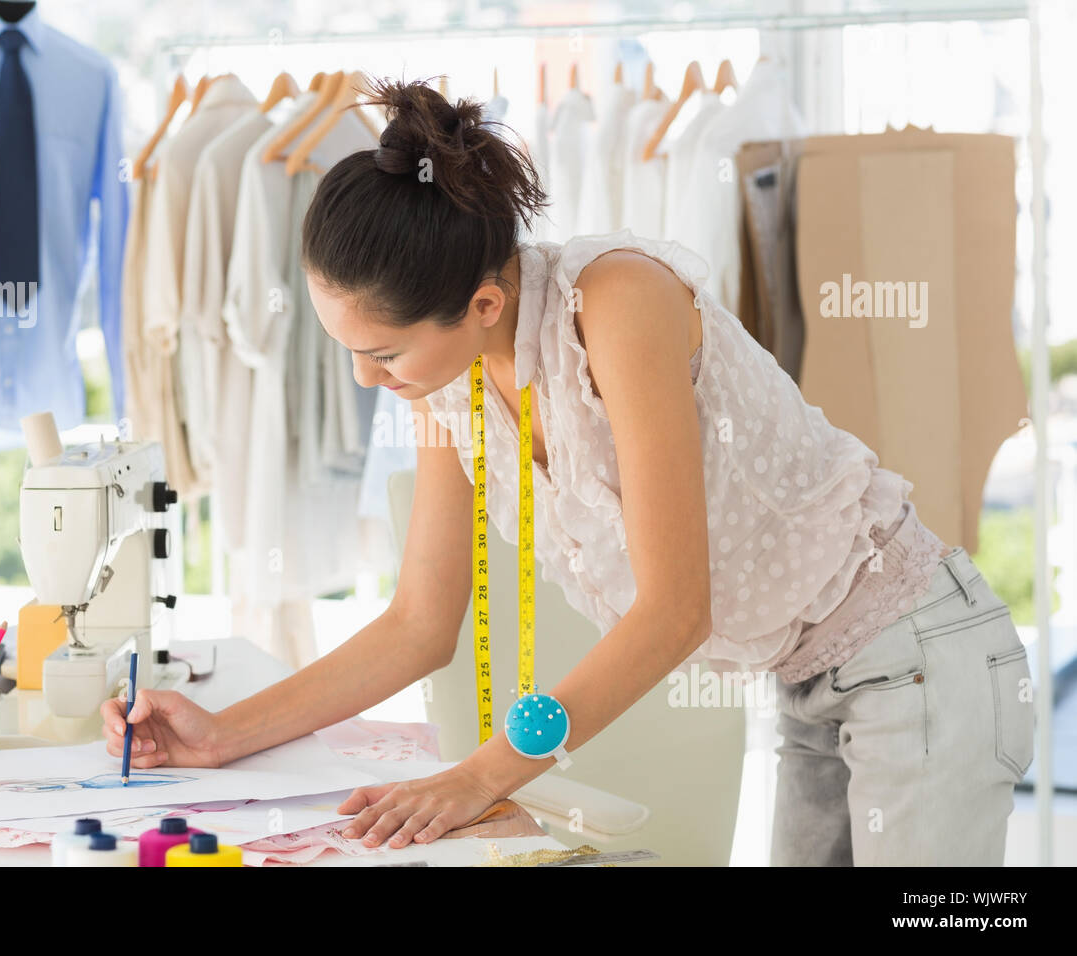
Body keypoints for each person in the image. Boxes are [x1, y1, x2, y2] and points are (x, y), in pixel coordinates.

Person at [104, 78, 1035, 865]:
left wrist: (484, 774)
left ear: (482, 301)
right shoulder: (455, 388)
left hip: (917, 663)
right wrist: (225, 734)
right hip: (805, 684)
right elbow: (419, 624)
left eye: (383, 354)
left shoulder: (617, 306)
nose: (367, 379)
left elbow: (675, 612)